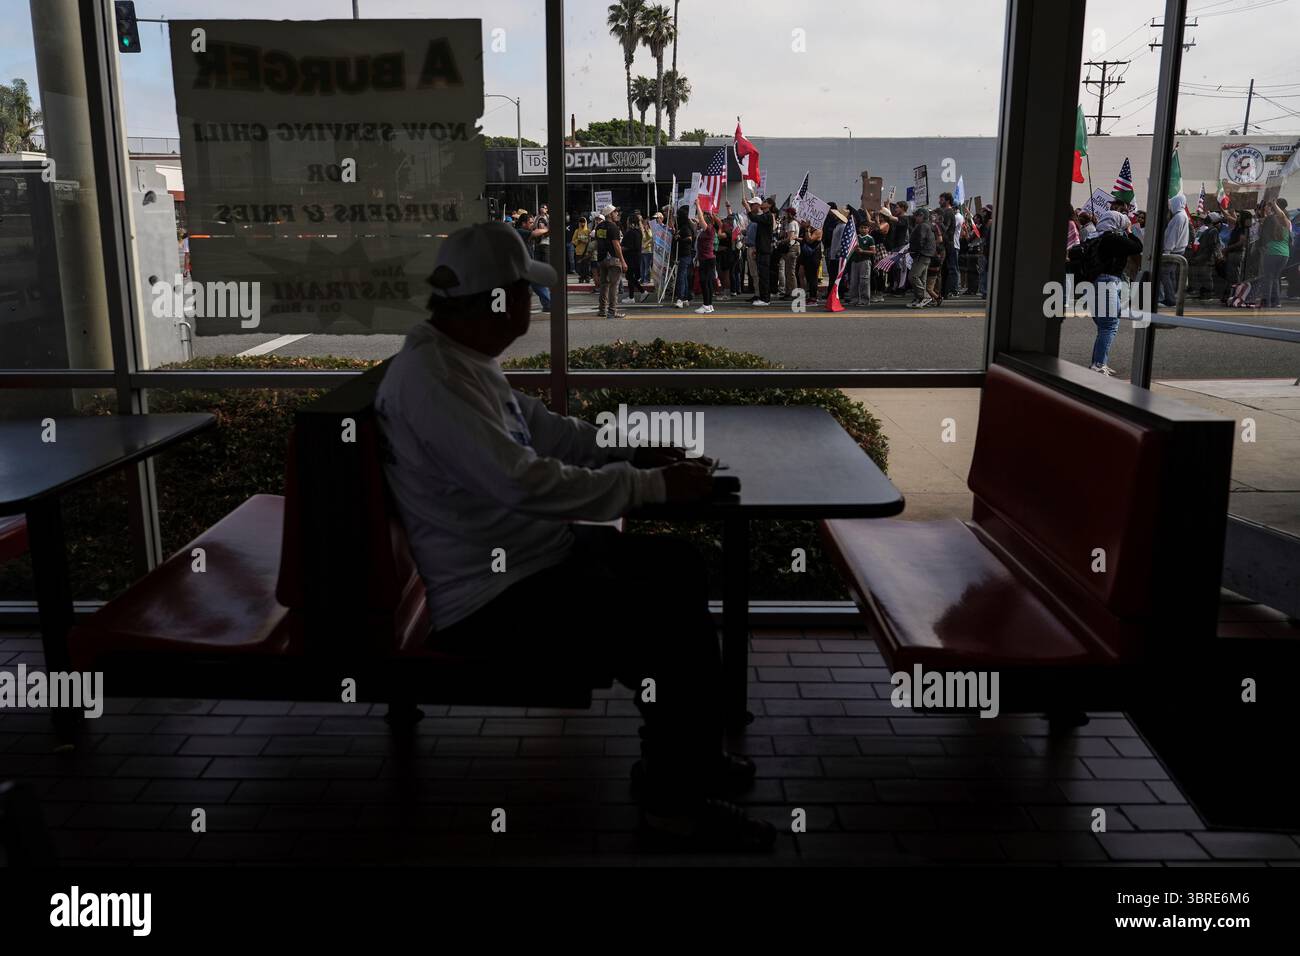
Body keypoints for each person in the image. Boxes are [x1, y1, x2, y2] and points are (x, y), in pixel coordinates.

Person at [374, 221, 774, 851]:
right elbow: (523, 481)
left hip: (537, 560)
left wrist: (639, 454)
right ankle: (674, 808)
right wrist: (655, 488)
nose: (534, 309)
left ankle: (681, 760)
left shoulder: (462, 360)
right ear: (497, 302)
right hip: (490, 601)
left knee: (679, 567)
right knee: (659, 631)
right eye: (528, 296)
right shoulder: (433, 379)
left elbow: (552, 435)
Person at [1084, 210, 1143, 376]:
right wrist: (1129, 231)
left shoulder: (1095, 237)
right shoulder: (1112, 239)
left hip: (1097, 283)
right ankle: (1098, 364)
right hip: (1107, 283)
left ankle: (1099, 362)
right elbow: (1137, 246)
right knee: (1109, 325)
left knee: (1106, 326)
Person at [592, 204, 627, 319]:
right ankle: (612, 311)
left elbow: (598, 243)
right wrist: (623, 261)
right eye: (615, 212)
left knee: (604, 285)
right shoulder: (614, 227)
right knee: (614, 286)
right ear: (610, 214)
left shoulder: (599, 227)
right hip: (613, 259)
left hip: (602, 259)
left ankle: (602, 310)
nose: (617, 214)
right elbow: (616, 245)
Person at [513, 212, 551, 310]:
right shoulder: (520, 231)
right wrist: (546, 229)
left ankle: (548, 305)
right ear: (523, 223)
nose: (532, 224)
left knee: (538, 284)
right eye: (530, 222)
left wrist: (546, 230)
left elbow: (539, 235)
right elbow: (535, 233)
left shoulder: (524, 232)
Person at [1257, 199, 1291, 309]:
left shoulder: (1276, 220)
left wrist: (1274, 204)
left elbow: (1277, 215)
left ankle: (1266, 301)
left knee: (1268, 277)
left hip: (1272, 252)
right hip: (1284, 254)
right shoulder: (1287, 224)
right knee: (1275, 278)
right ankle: (1276, 301)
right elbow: (1263, 218)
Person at [741, 196, 775, 305]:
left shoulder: (769, 216)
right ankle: (762, 296)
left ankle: (765, 299)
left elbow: (755, 218)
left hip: (764, 250)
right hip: (760, 249)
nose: (762, 203)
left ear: (769, 205)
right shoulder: (764, 216)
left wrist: (747, 208)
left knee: (764, 275)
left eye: (765, 202)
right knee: (761, 275)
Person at [1160, 194, 1190, 307]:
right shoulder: (1182, 215)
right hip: (1178, 250)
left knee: (1165, 273)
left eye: (1172, 204)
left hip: (1173, 250)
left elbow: (1173, 236)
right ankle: (1172, 297)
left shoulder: (1179, 217)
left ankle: (1170, 299)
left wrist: (1167, 250)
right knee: (1171, 274)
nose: (1171, 206)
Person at [845, 214, 876, 307]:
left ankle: (864, 300)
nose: (863, 229)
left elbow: (873, 251)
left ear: (868, 229)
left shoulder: (870, 239)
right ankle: (854, 299)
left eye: (865, 228)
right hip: (855, 261)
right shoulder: (855, 237)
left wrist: (863, 251)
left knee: (864, 281)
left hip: (865, 261)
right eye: (862, 228)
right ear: (858, 229)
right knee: (854, 281)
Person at [907, 208, 936, 308]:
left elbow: (920, 240)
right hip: (926, 254)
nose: (915, 217)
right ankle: (919, 299)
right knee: (921, 279)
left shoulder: (923, 226)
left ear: (922, 215)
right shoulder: (928, 225)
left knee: (913, 276)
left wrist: (913, 249)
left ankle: (925, 297)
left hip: (922, 254)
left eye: (917, 215)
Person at [693, 208, 718, 314]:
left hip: (707, 260)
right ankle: (709, 305)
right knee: (707, 282)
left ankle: (706, 305)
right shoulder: (707, 230)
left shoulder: (708, 229)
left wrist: (698, 205)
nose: (699, 221)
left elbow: (700, 218)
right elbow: (697, 222)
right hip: (707, 259)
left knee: (705, 282)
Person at [672, 204, 697, 307]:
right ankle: (686, 297)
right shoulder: (684, 226)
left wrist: (679, 239)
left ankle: (680, 298)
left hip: (685, 255)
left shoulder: (686, 227)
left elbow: (689, 239)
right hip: (684, 255)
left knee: (681, 277)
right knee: (685, 277)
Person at [623, 211, 645, 304]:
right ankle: (631, 297)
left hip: (630, 258)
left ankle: (643, 291)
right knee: (630, 277)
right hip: (636, 258)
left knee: (629, 276)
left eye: (628, 220)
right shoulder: (639, 232)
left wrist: (620, 248)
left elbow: (628, 246)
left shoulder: (630, 232)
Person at [798, 220, 823, 304]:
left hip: (814, 256)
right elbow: (805, 240)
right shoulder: (807, 230)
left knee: (813, 277)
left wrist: (807, 229)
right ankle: (808, 294)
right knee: (805, 275)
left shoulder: (818, 231)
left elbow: (810, 240)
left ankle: (813, 297)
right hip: (806, 255)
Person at [572, 217, 591, 283]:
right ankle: (581, 277)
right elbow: (573, 241)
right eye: (581, 222)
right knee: (579, 266)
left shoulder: (588, 231)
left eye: (583, 222)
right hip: (578, 252)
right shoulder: (577, 231)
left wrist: (585, 240)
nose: (582, 223)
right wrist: (578, 240)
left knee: (586, 266)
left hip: (586, 252)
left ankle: (587, 277)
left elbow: (590, 240)